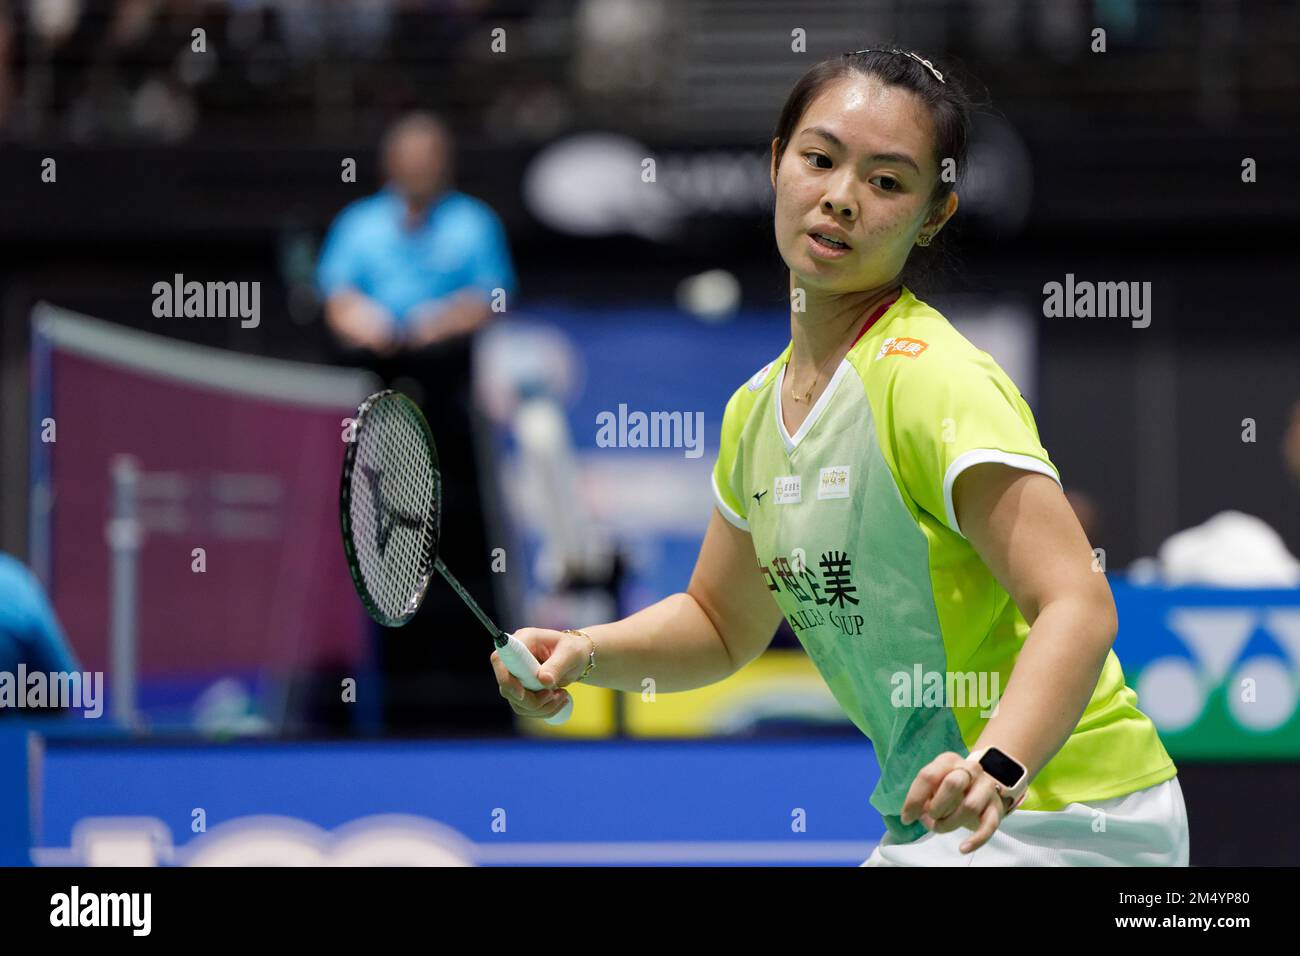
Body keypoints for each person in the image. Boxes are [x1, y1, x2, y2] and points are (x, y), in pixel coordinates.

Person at [490, 48, 1188, 866]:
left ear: (933, 215)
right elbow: (720, 625)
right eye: (819, 160)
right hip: (938, 821)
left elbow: (1077, 602)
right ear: (776, 163)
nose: (842, 198)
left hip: (1069, 814)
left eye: (888, 182)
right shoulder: (754, 413)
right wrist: (587, 652)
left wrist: (998, 768)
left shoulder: (935, 382)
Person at [318, 111, 518, 731]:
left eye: (429, 155)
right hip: (376, 416)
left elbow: (493, 297)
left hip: (452, 420)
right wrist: (372, 325)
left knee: (465, 561)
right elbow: (336, 297)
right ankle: (380, 713)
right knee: (378, 563)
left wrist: (437, 322)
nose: (418, 166)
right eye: (408, 155)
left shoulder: (474, 222)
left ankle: (479, 709)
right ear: (389, 163)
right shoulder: (358, 225)